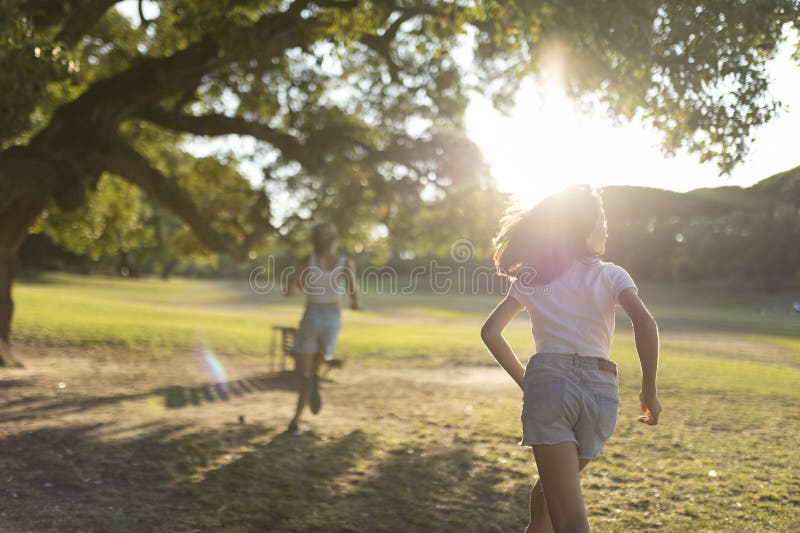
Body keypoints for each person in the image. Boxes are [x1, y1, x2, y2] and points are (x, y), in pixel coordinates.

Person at [480, 185, 662, 533]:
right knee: (547, 496)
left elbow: (491, 332)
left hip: (551, 389)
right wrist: (648, 391)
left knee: (569, 519)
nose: (607, 227)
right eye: (602, 219)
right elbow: (645, 322)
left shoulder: (535, 277)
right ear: (585, 225)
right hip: (601, 394)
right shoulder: (612, 274)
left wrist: (528, 382)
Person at [285, 222, 360, 434]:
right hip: (332, 319)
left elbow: (291, 290)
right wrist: (355, 304)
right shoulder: (345, 263)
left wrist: (301, 291)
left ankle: (296, 420)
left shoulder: (308, 261)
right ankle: (311, 385)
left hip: (312, 315)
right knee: (314, 369)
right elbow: (354, 292)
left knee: (301, 373)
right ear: (335, 241)